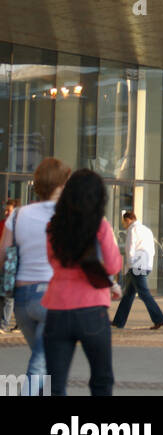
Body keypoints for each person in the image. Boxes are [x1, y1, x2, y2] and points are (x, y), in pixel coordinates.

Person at [43, 168, 123, 397]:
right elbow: (113, 266)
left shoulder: (53, 226)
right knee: (101, 379)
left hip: (57, 308)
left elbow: (51, 260)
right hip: (91, 309)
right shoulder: (99, 226)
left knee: (55, 383)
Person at [0, 157, 71, 393]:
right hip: (54, 298)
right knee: (39, 365)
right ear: (62, 184)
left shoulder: (17, 215)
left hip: (22, 300)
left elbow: (3, 256)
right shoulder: (70, 215)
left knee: (44, 359)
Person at [111, 210, 163, 331]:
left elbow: (130, 249)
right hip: (145, 265)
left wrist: (129, 266)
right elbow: (152, 249)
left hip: (136, 266)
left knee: (144, 293)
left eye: (124, 223)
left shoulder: (132, 230)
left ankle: (159, 318)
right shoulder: (146, 230)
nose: (124, 226)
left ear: (128, 220)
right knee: (128, 295)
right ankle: (118, 321)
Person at [0, 197, 20, 332]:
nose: (6, 212)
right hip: (4, 262)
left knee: (9, 296)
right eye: (5, 210)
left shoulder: (20, 224)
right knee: (3, 295)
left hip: (14, 263)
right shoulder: (2, 224)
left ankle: (4, 324)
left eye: (9, 210)